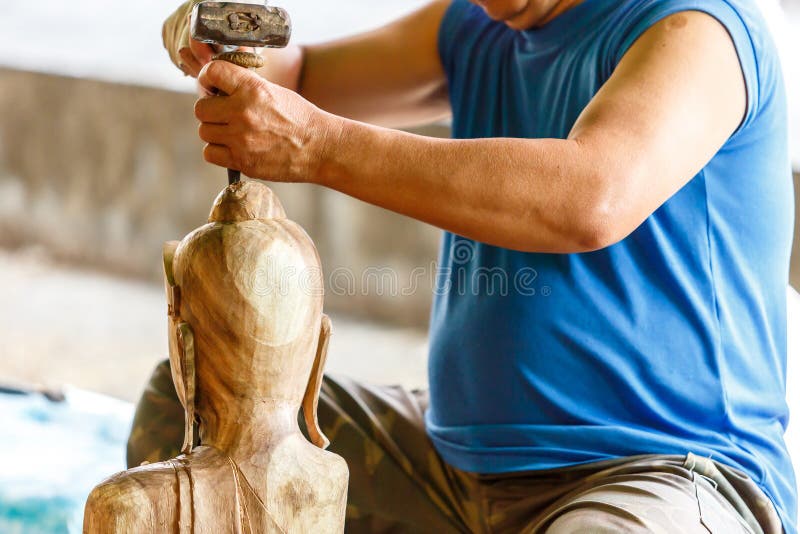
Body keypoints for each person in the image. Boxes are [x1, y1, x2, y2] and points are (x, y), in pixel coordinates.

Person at [134, 0, 797, 532]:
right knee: (191, 411)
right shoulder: (475, 23)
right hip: (453, 467)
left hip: (661, 473)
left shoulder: (699, 28)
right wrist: (228, 60)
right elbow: (303, 81)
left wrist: (317, 145)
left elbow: (589, 198)